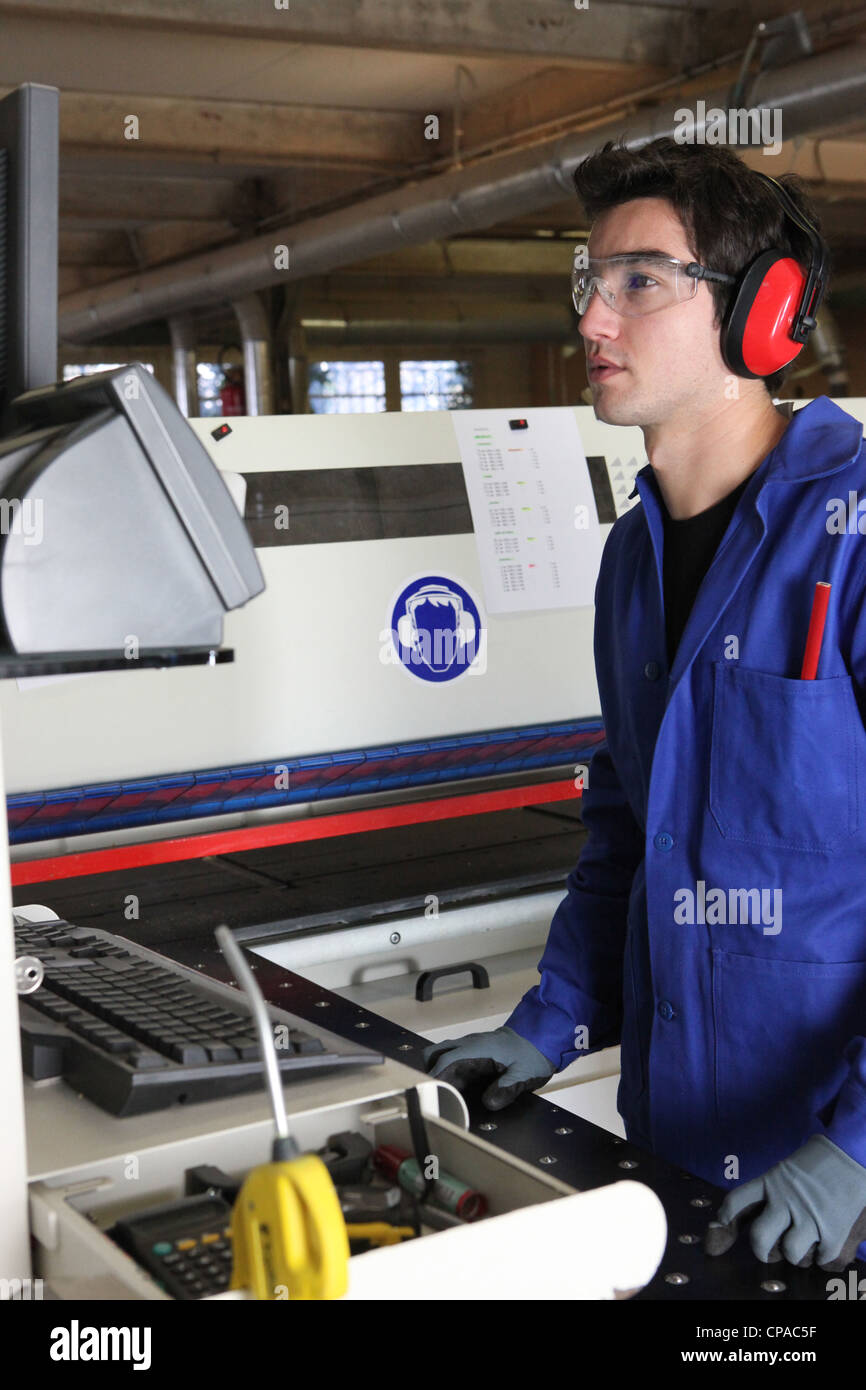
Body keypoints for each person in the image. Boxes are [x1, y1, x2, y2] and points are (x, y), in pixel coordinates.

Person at [425, 137, 866, 1274]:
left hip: (834, 1186)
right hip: (672, 1168)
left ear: (759, 315)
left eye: (637, 279)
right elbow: (628, 831)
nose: (591, 318)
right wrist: (548, 1022)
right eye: (587, 280)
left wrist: (856, 1149)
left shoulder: (851, 542)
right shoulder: (632, 560)